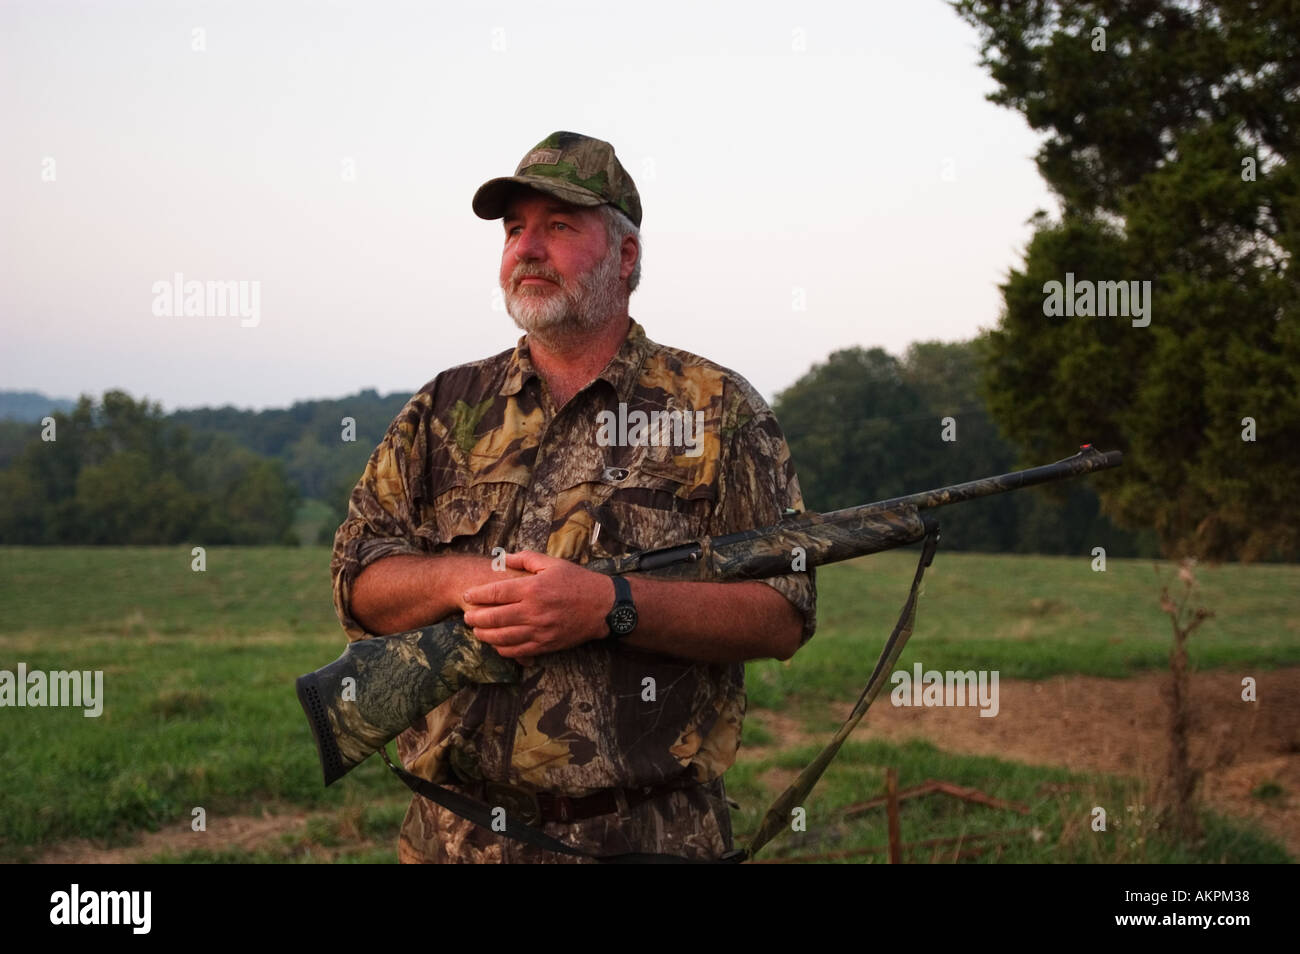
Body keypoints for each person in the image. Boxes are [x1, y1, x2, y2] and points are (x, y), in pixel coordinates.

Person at [330, 131, 817, 863]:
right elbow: (358, 580)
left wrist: (608, 606)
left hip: (646, 837)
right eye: (514, 229)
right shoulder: (444, 408)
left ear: (625, 257)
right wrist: (465, 580)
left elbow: (783, 613)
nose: (528, 248)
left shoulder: (717, 409)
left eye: (558, 227)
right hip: (453, 838)